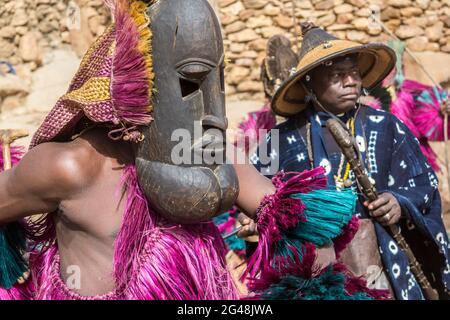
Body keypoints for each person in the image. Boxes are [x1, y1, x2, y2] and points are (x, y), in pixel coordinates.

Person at [0, 0, 246, 300]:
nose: (210, 113)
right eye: (188, 83)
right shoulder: (71, 166)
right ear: (134, 84)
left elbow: (292, 216)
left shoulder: (204, 152)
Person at [249, 22, 450, 300]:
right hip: (314, 274)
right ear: (310, 82)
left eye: (354, 72)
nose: (351, 81)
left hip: (385, 267)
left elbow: (424, 185)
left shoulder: (387, 127)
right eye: (337, 75)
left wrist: (398, 202)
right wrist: (258, 218)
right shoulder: (281, 140)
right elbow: (255, 196)